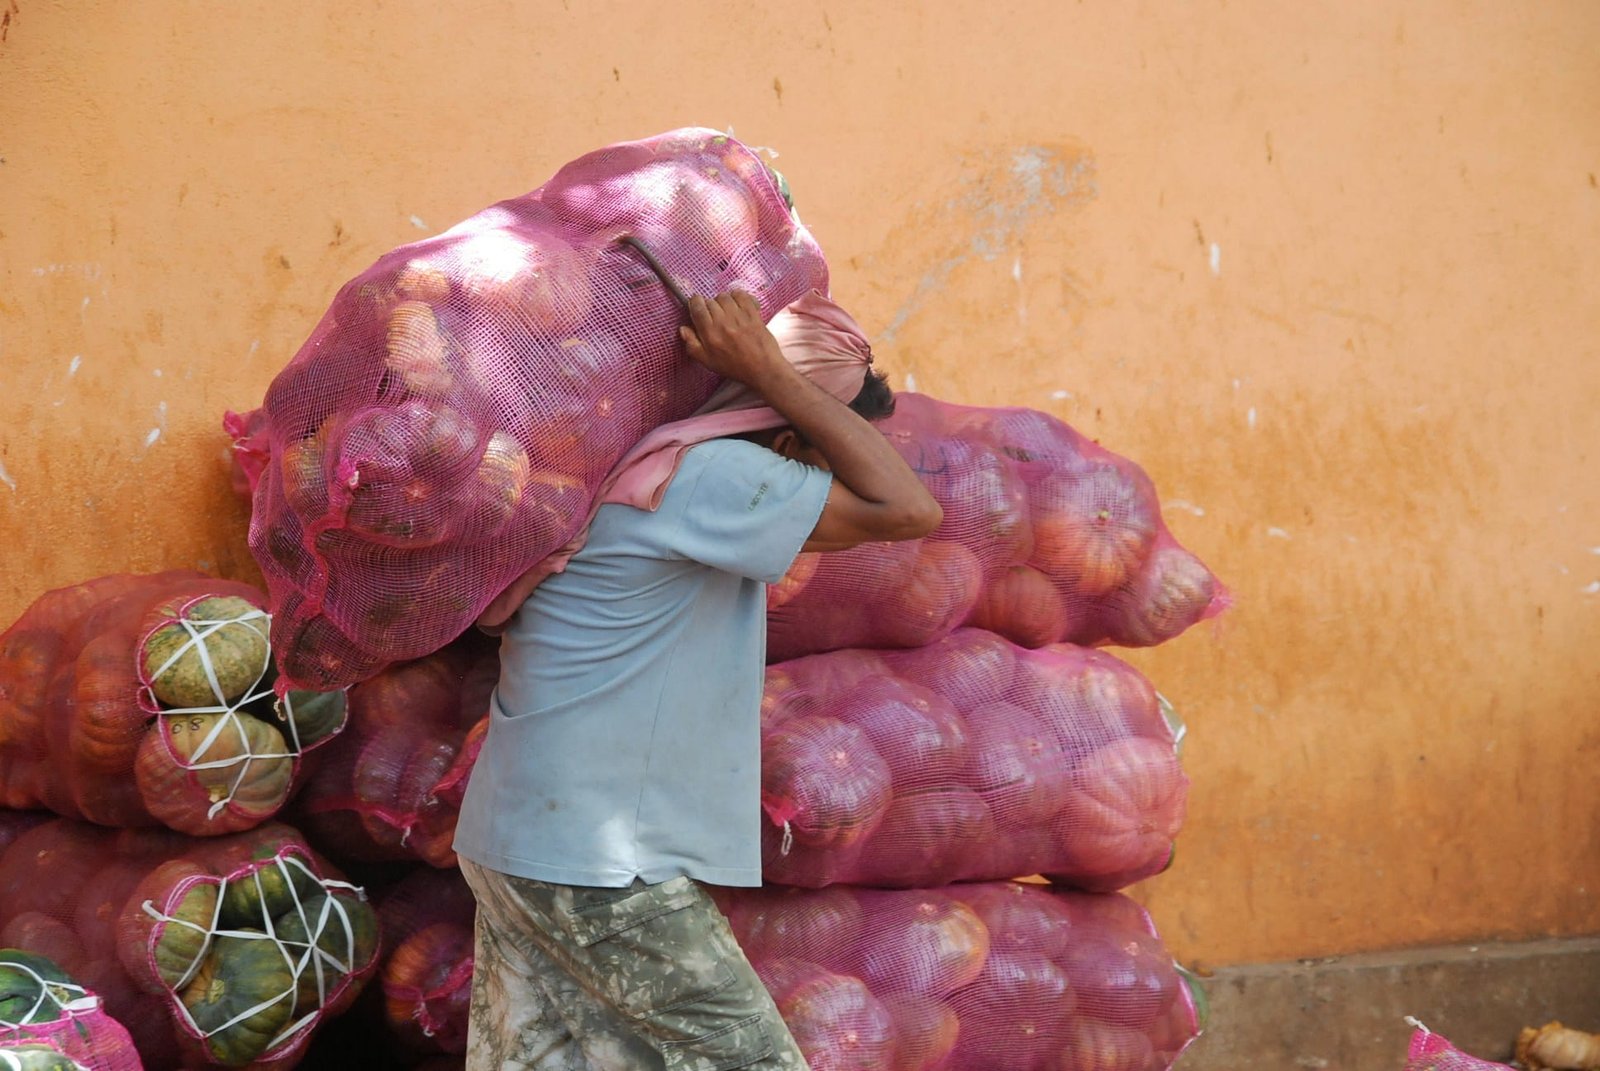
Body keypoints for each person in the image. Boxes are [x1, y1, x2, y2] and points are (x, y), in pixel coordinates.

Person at [452, 288, 942, 1070]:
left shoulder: (642, 468)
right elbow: (908, 507)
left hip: (521, 842)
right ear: (779, 431)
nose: (825, 480)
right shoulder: (708, 475)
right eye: (820, 451)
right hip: (599, 866)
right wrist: (775, 372)